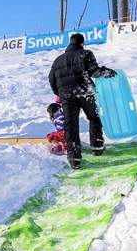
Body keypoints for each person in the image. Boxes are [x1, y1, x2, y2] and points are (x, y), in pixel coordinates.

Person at [47, 33, 116, 169]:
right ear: (82, 43)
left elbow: (51, 79)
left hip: (67, 95)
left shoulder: (57, 60)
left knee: (71, 126)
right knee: (94, 118)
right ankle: (97, 147)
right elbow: (94, 72)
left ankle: (74, 158)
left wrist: (59, 92)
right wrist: (107, 72)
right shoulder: (86, 54)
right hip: (85, 92)